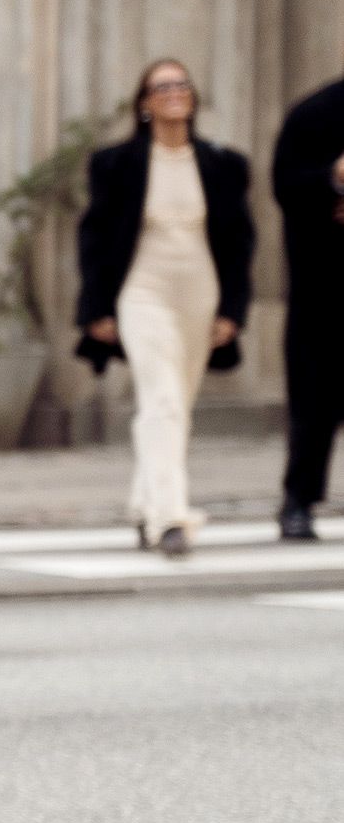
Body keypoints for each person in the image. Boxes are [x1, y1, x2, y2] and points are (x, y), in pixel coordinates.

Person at [74, 60, 253, 558]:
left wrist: (233, 312)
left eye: (182, 85)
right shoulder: (115, 164)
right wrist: (95, 307)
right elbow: (94, 239)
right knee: (163, 401)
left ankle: (142, 505)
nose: (175, 93)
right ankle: (172, 519)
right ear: (145, 103)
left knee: (175, 405)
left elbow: (240, 243)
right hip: (142, 290)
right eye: (162, 87)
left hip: (200, 292)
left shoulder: (224, 165)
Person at [271, 69, 344, 540]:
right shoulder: (316, 112)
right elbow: (285, 186)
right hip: (326, 291)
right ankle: (298, 501)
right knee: (315, 403)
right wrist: (332, 181)